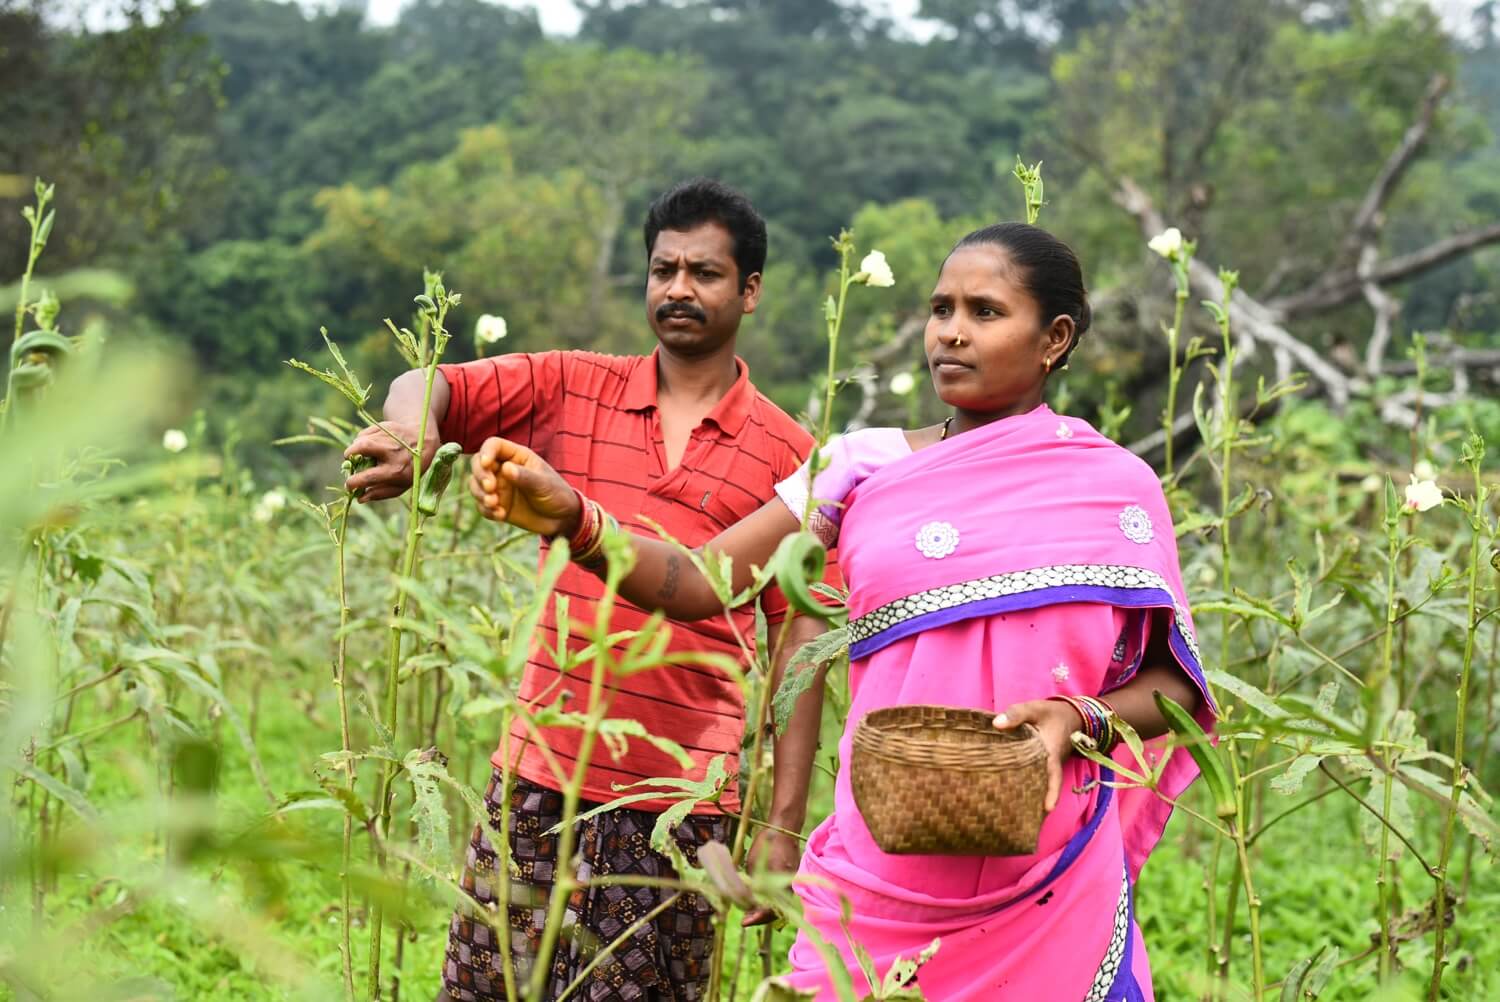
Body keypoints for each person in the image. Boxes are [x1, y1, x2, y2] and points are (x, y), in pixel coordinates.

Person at [464, 222, 1217, 1000]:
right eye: (941, 309)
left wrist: (1075, 718)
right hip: (879, 872)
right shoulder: (859, 464)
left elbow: (1177, 688)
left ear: (1054, 338)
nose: (951, 332)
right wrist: (577, 520)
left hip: (1047, 876)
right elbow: (698, 582)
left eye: (985, 312)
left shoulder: (1113, 487)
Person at [344, 178, 832, 1002]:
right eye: (663, 269)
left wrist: (782, 823)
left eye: (705, 273)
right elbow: (433, 383)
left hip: (682, 806)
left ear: (750, 291)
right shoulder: (572, 385)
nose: (678, 288)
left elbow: (798, 647)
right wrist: (411, 431)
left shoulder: (792, 455)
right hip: (540, 776)